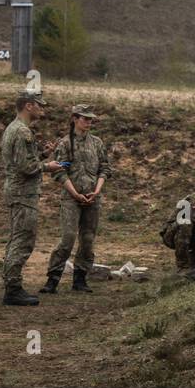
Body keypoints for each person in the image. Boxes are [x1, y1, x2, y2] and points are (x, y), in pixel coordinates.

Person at [40, 104, 112, 294]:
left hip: (92, 198)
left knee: (88, 240)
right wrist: (74, 193)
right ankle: (53, 278)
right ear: (74, 119)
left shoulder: (97, 143)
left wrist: (96, 191)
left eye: (90, 119)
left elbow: (104, 168)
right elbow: (59, 172)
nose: (88, 122)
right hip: (71, 198)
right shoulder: (65, 144)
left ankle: (80, 278)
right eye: (84, 118)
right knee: (68, 238)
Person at [1, 91, 62, 306]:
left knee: (17, 238)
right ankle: (13, 288)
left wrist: (43, 155)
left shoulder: (14, 128)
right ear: (28, 106)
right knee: (23, 240)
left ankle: (12, 284)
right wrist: (49, 166)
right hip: (23, 193)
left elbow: (24, 161)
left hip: (18, 191)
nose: (42, 109)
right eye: (39, 105)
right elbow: (26, 167)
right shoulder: (22, 132)